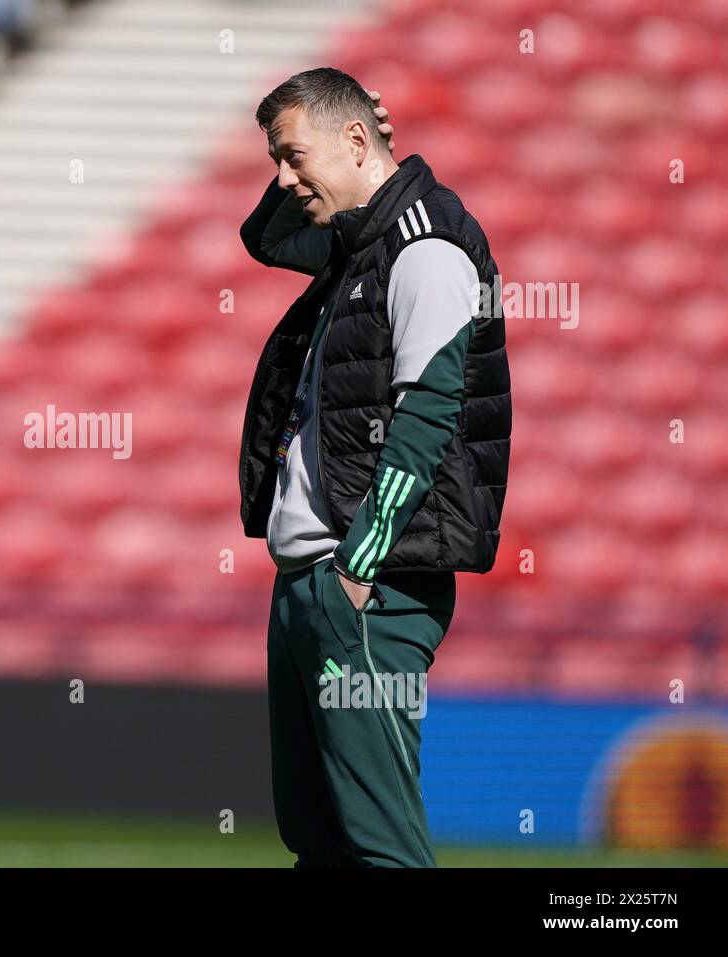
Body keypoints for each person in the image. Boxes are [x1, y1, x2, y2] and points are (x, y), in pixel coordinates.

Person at [237, 67, 511, 866]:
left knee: (380, 849)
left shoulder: (424, 242)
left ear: (357, 140)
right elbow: (263, 240)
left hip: (363, 586)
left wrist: (357, 567)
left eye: (292, 157)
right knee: (319, 843)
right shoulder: (362, 237)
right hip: (314, 582)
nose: (283, 179)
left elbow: (427, 415)